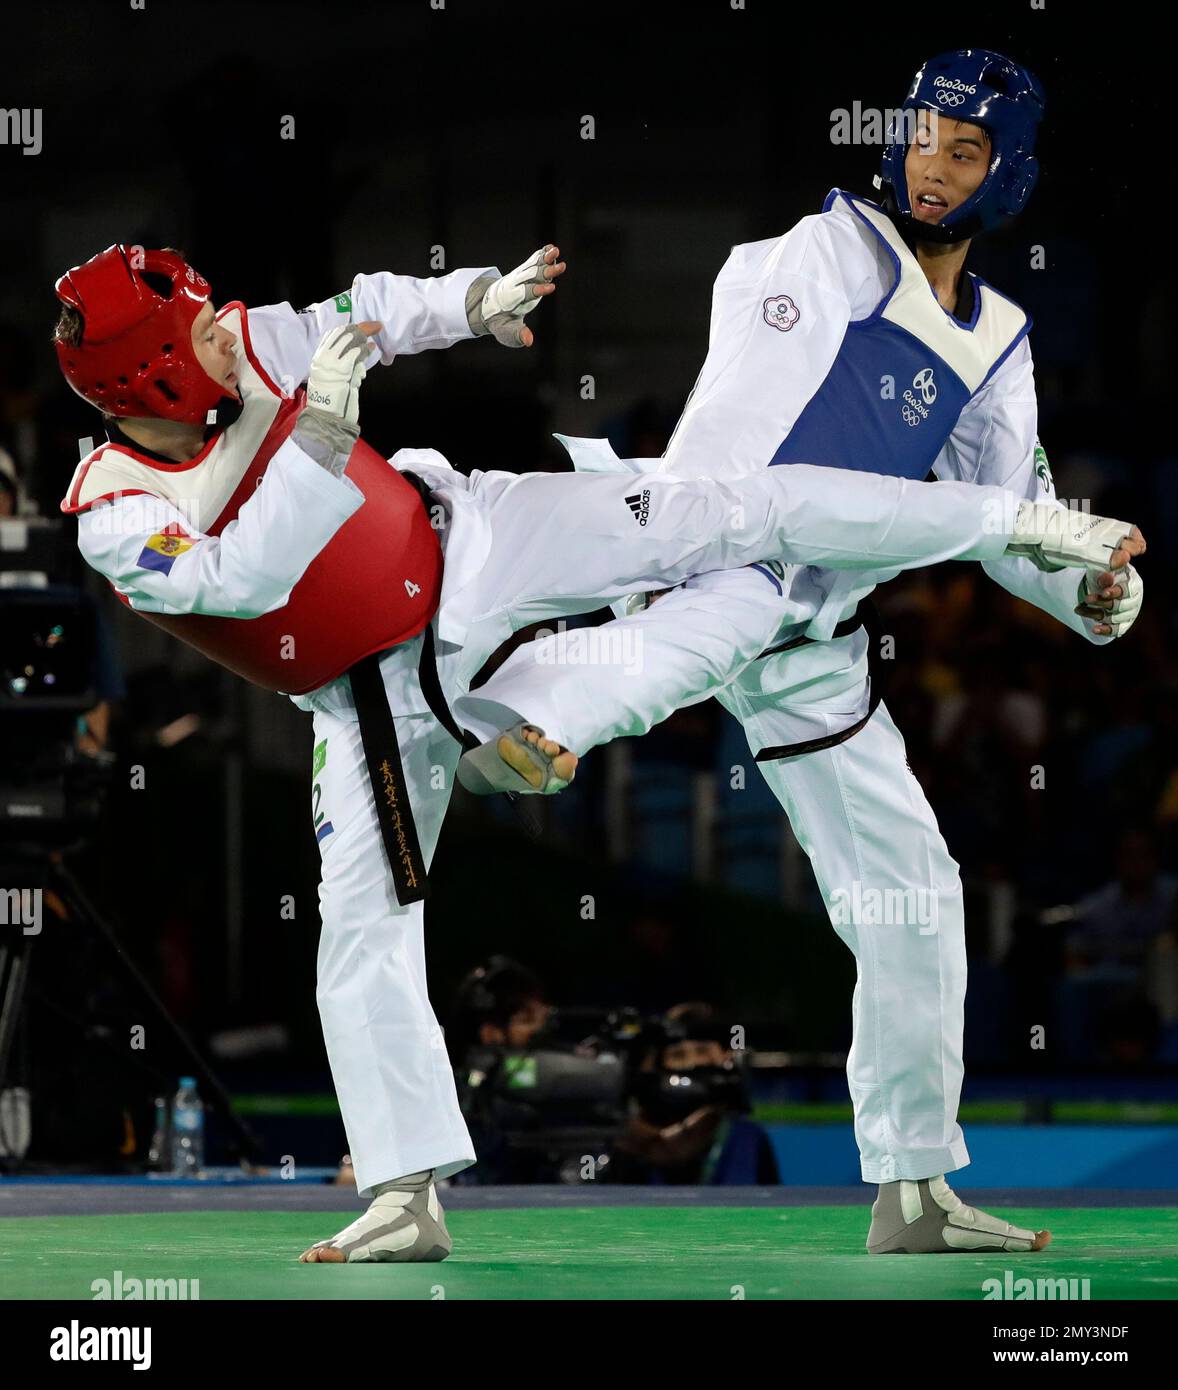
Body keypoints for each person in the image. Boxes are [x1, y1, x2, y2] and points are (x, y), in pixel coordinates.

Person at [52, 234, 1135, 1263]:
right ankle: (402, 1193)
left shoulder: (238, 338)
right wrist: (322, 442)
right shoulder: (113, 513)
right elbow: (237, 583)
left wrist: (473, 299)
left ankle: (1011, 526)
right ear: (147, 382)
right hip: (373, 694)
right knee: (363, 928)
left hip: (473, 532)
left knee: (729, 508)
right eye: (195, 341)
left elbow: (360, 311)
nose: (224, 340)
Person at [457, 50, 1147, 1254]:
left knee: (913, 898)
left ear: (1010, 174)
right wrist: (720, 553)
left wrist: (1086, 592)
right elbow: (750, 473)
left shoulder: (997, 339)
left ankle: (912, 1190)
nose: (930, 164)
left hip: (817, 635)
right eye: (924, 134)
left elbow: (1004, 518)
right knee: (687, 634)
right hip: (720, 547)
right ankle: (515, 718)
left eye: (964, 149)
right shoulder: (817, 253)